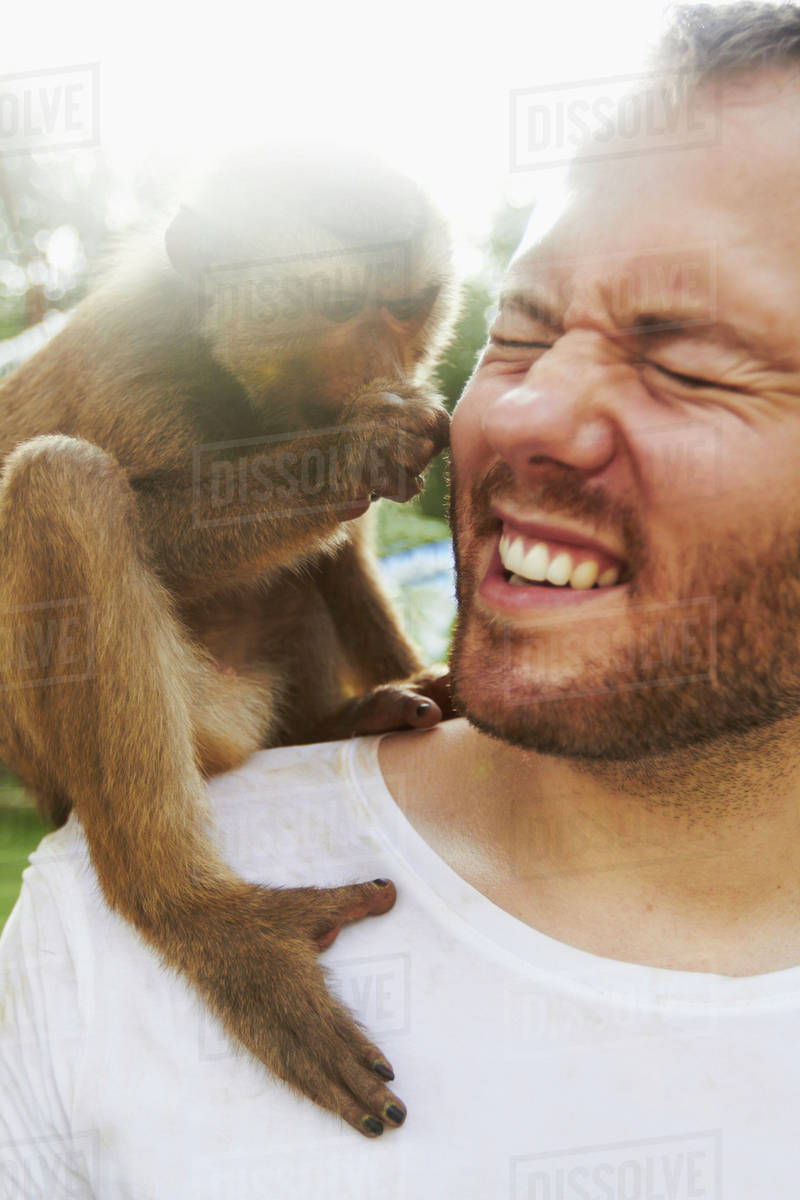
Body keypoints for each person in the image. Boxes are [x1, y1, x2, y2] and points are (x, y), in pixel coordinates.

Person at [4, 3, 800, 1195]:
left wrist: (416, 669)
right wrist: (329, 475)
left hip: (252, 688)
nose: (393, 343)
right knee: (61, 483)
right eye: (519, 333)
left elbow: (324, 551)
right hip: (95, 707)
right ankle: (184, 902)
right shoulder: (127, 359)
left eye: (419, 305)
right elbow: (136, 556)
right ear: (211, 278)